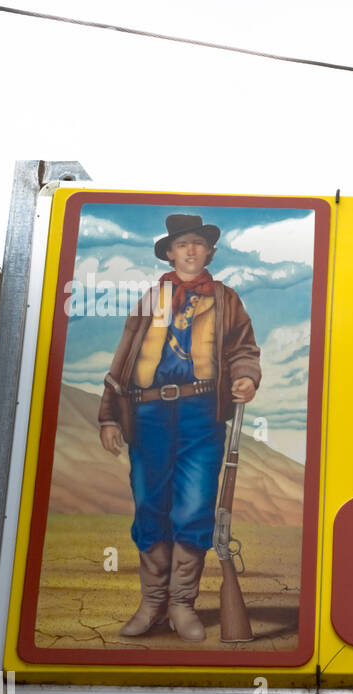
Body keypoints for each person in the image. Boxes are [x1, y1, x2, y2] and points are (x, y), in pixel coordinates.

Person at [97, 213, 261, 642]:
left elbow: (244, 346)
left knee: (193, 505)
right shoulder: (150, 299)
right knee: (151, 505)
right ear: (169, 253)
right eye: (182, 244)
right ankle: (152, 602)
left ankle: (182, 603)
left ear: (208, 252)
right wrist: (109, 414)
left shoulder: (226, 300)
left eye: (198, 244)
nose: (190, 251)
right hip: (148, 413)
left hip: (202, 412)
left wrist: (245, 376)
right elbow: (123, 361)